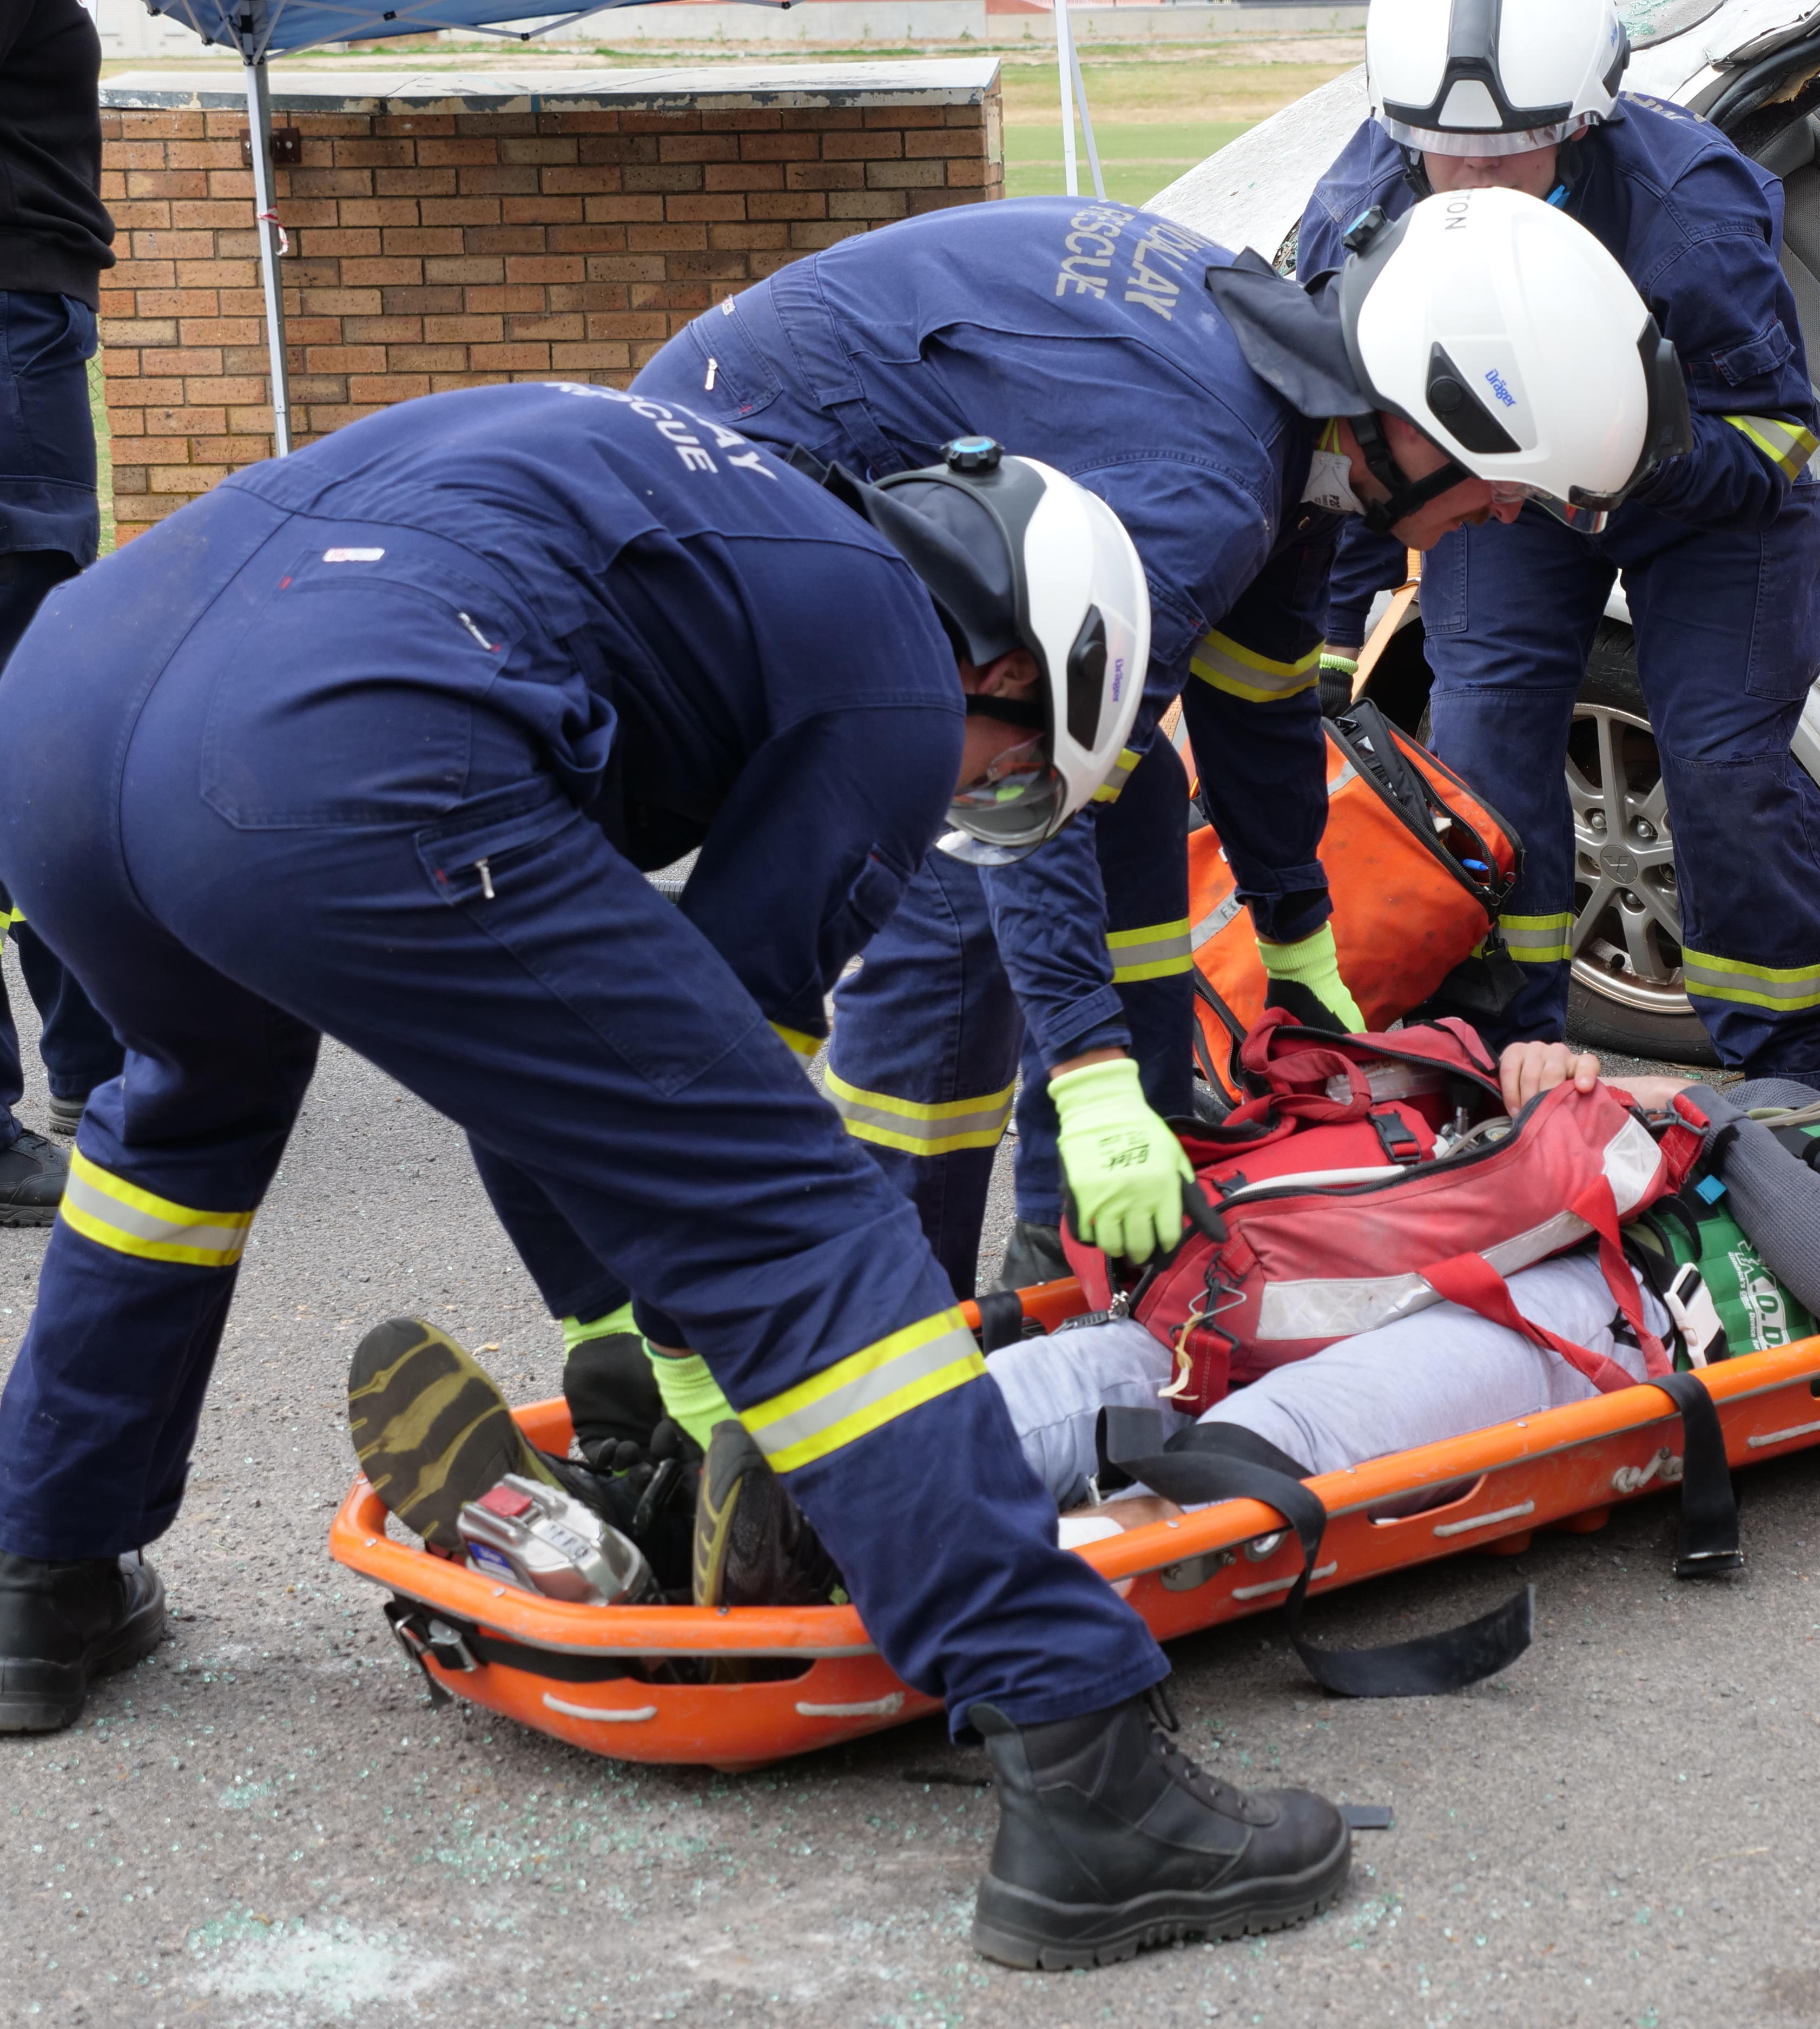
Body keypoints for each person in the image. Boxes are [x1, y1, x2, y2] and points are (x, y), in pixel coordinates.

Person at [0, 379, 1353, 1971]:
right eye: (997, 778)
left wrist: (619, 1332)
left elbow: (549, 1064)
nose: (960, 802)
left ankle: (42, 1568)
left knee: (182, 1123)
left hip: (62, 719)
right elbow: (717, 1107)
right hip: (331, 744)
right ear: (1004, 667)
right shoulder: (893, 668)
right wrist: (711, 1362)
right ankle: (1085, 1763)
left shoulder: (741, 516)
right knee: (798, 1213)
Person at [609, 187, 1681, 1339]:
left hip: (846, 492)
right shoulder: (1201, 489)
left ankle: (1088, 1266)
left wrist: (1296, 937)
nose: (1510, 515)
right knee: (959, 907)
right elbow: (1035, 793)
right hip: (730, 519)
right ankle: (880, 1319)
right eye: (1508, 481)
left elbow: (1258, 700)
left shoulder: (1300, 436)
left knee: (1142, 792)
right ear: (1425, 417)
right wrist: (1088, 1072)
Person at [1294, 0, 1820, 1085]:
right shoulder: (1358, 214)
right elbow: (1349, 438)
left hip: (1699, 500)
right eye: (1445, 151)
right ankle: (1506, 1058)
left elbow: (1774, 438)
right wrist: (1328, 638)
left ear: (1583, 124)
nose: (1474, 176)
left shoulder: (1689, 213)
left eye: (1510, 152)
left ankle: (1792, 1070)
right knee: (1484, 746)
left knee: (1724, 768)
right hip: (1497, 497)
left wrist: (1628, 450)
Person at [981, 1040, 1820, 1519]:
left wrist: (1699, 1116)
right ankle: (899, 1466)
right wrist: (1548, 1080)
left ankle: (1037, 1580)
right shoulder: (1812, 1107)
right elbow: (1622, 1126)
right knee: (1165, 1347)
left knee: (1270, 1437)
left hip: (1605, 1310)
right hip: (1501, 1234)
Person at [0, 0, 127, 1217]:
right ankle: (93, 1073)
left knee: (40, 723)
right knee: (36, 726)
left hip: (27, 321)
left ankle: (100, 1066)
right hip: (12, 322)